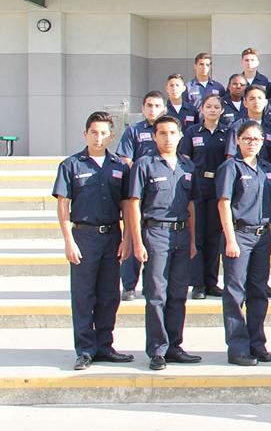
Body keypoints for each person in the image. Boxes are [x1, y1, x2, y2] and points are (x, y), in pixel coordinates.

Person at [53, 111, 135, 370]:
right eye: (93, 132)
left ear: (112, 136)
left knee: (110, 294)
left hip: (112, 236)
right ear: (85, 134)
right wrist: (69, 240)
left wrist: (128, 239)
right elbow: (63, 206)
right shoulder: (71, 165)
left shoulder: (120, 166)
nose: (98, 138)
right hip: (84, 236)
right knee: (83, 295)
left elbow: (127, 205)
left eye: (103, 133)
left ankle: (104, 346)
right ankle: (85, 349)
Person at [126, 115, 199, 371]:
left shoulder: (188, 166)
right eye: (162, 133)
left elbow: (192, 204)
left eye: (172, 133)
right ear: (154, 137)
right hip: (155, 233)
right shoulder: (144, 165)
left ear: (180, 135)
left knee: (178, 294)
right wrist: (137, 242)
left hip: (181, 234)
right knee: (156, 294)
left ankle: (174, 346)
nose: (168, 138)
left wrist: (192, 240)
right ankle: (157, 349)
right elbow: (134, 204)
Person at [215, 120, 271, 367]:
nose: (252, 143)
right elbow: (223, 203)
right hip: (239, 235)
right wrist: (230, 238)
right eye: (247, 139)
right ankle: (238, 348)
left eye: (256, 139)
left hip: (262, 236)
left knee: (258, 292)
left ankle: (257, 343)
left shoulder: (267, 169)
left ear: (263, 142)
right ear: (238, 141)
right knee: (235, 293)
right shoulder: (230, 167)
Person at [115, 91, 167, 301]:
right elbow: (126, 158)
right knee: (132, 235)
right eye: (149, 105)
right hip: (137, 191)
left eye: (156, 106)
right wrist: (144, 173)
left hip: (161, 194)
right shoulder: (133, 131)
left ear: (163, 108)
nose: (152, 109)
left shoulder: (169, 129)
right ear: (143, 108)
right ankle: (128, 285)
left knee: (155, 243)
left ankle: (150, 285)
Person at [178, 94, 231, 300]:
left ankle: (211, 282)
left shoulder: (227, 132)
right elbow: (184, 159)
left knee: (214, 236)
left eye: (216, 107)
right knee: (196, 234)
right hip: (197, 185)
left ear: (222, 110)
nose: (212, 110)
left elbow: (229, 160)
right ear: (201, 108)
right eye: (208, 106)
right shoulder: (192, 132)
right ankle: (197, 283)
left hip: (218, 186)